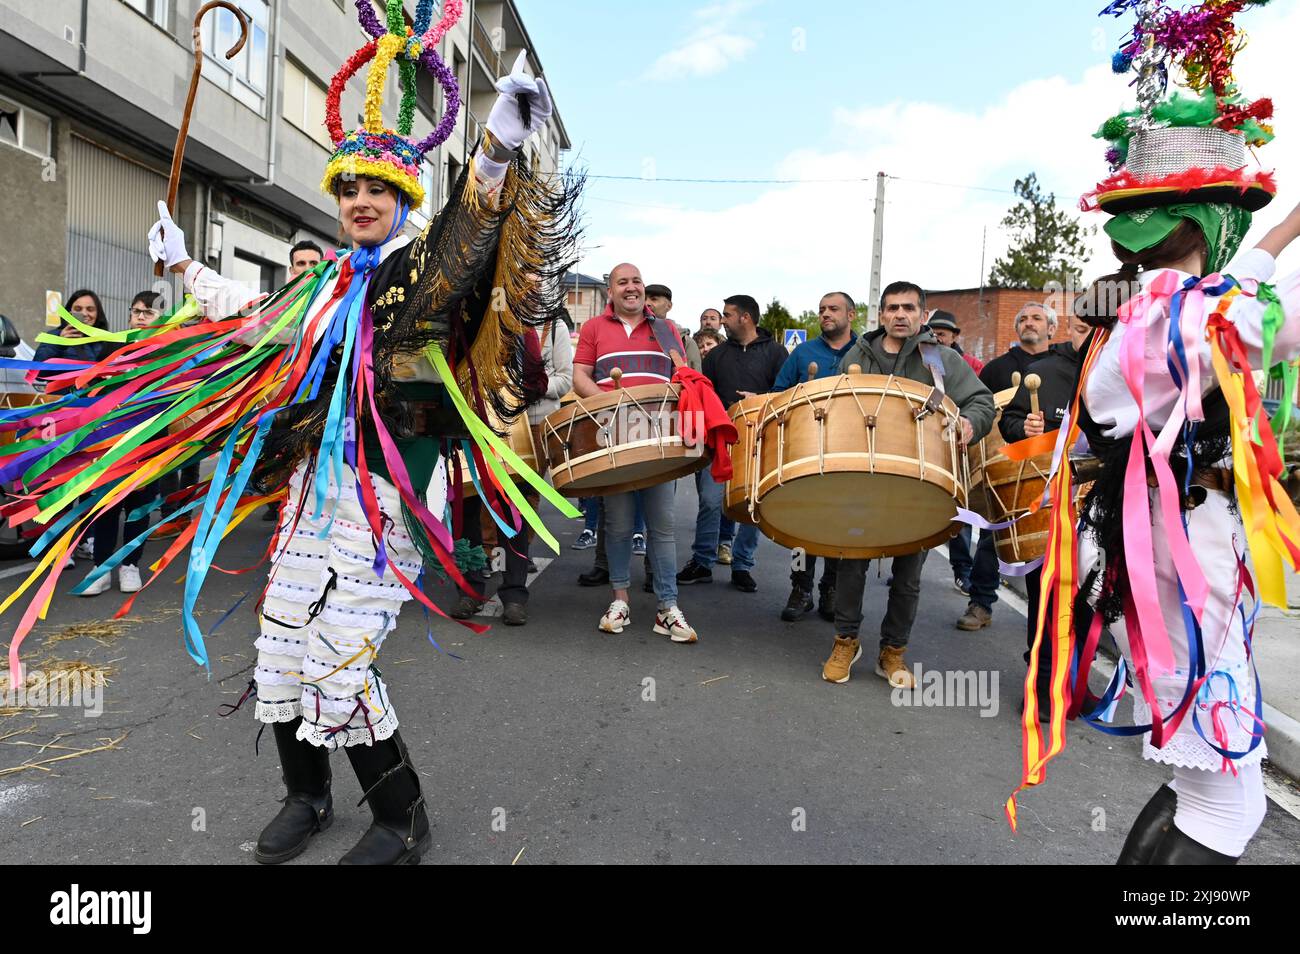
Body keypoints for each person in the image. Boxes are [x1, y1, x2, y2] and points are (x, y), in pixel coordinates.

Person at [3, 4, 573, 866]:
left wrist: (491, 155)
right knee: (280, 646)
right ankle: (305, 796)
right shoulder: (324, 284)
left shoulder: (419, 277)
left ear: (402, 197)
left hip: (390, 493)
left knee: (340, 661)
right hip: (313, 487)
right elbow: (249, 318)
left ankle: (402, 820)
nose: (361, 202)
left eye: (378, 190)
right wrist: (180, 267)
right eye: (349, 190)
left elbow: (465, 242)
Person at [1007, 0, 1300, 864]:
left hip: (1192, 547)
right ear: (1213, 222)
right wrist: (1282, 233)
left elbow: (1264, 324)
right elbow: (1248, 322)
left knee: (1210, 781)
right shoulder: (1162, 314)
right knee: (1223, 792)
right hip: (1180, 556)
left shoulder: (1172, 307)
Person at [821, 281, 993, 687]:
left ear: (922, 315)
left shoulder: (943, 358)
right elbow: (833, 403)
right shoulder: (857, 354)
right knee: (851, 562)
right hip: (862, 478)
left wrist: (971, 422)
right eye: (893, 308)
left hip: (921, 480)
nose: (901, 314)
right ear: (881, 315)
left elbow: (982, 401)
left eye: (909, 308)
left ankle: (892, 652)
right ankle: (846, 641)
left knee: (908, 574)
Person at [572, 263, 699, 642]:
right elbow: (580, 376)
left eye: (637, 281)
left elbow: (683, 377)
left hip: (658, 440)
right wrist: (611, 401)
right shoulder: (595, 328)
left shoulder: (665, 329)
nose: (632, 287)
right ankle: (620, 599)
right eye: (623, 282)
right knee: (620, 524)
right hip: (612, 436)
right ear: (610, 291)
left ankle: (668, 607)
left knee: (662, 526)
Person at [452, 297, 573, 626]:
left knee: (513, 509)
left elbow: (565, 378)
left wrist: (531, 389)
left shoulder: (551, 325)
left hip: (526, 427)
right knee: (468, 507)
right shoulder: (474, 320)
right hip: (474, 422)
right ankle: (470, 589)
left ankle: (514, 593)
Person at [996, 312, 1093, 719]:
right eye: (1084, 328)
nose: (1089, 336)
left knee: (1093, 599)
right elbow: (1009, 423)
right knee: (1047, 598)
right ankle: (1041, 686)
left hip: (1102, 506)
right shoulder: (1044, 370)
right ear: (1070, 328)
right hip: (1049, 505)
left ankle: (1077, 685)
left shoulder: (1123, 371)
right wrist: (1025, 427)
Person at [956, 302, 1058, 632]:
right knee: (994, 537)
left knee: (1054, 545)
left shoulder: (1062, 365)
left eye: (1037, 318)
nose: (1029, 323)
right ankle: (981, 603)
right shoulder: (997, 369)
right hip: (1006, 469)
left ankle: (1052, 621)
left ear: (1052, 329)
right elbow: (980, 408)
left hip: (1052, 469)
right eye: (1023, 319)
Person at [677, 294, 785, 592]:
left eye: (727, 315)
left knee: (751, 505)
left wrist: (763, 401)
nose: (722, 320)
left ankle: (742, 565)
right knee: (711, 502)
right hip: (718, 440)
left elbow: (788, 394)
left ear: (746, 318)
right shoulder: (716, 356)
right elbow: (702, 393)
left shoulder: (776, 353)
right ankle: (702, 561)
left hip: (757, 440)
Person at [772, 291, 858, 621]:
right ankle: (800, 586)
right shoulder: (802, 353)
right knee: (800, 525)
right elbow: (779, 394)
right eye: (822, 309)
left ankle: (830, 587)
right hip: (805, 451)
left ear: (850, 315)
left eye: (833, 309)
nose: (825, 314)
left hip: (848, 452)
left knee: (838, 525)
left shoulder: (865, 350)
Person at [77, 291, 166, 596]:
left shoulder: (171, 354)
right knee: (106, 505)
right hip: (111, 442)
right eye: (136, 311)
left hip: (149, 442)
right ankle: (100, 568)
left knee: (138, 507)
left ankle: (130, 565)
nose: (140, 316)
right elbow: (93, 386)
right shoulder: (114, 347)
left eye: (148, 313)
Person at [927, 310, 981, 594]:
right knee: (917, 512)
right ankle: (907, 565)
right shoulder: (922, 359)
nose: (936, 337)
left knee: (959, 514)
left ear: (955, 336)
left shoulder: (969, 364)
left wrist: (967, 422)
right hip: (925, 448)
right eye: (932, 332)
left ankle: (963, 571)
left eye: (943, 333)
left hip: (956, 448)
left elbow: (981, 401)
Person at [646, 283, 702, 371]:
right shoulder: (629, 332)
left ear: (669, 306)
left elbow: (692, 377)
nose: (647, 303)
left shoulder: (685, 340)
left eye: (654, 299)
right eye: (644, 299)